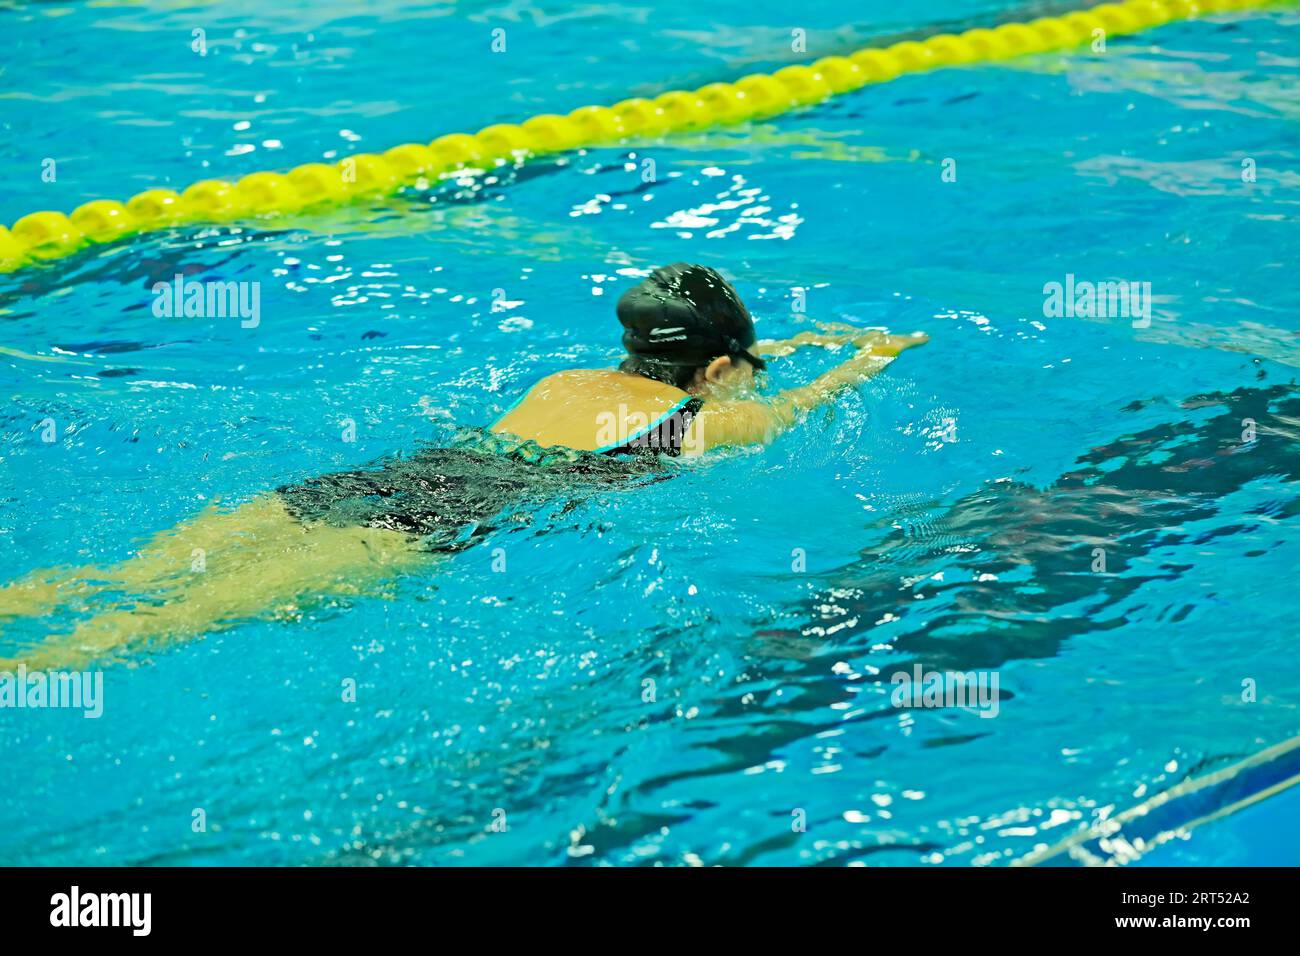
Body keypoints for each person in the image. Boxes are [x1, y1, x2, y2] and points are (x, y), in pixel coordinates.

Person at [0, 263, 926, 667]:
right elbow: (802, 406)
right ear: (718, 372)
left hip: (390, 475)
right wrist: (864, 359)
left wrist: (768, 348)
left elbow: (695, 369)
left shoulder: (568, 379)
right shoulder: (711, 424)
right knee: (175, 622)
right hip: (444, 519)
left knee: (129, 574)